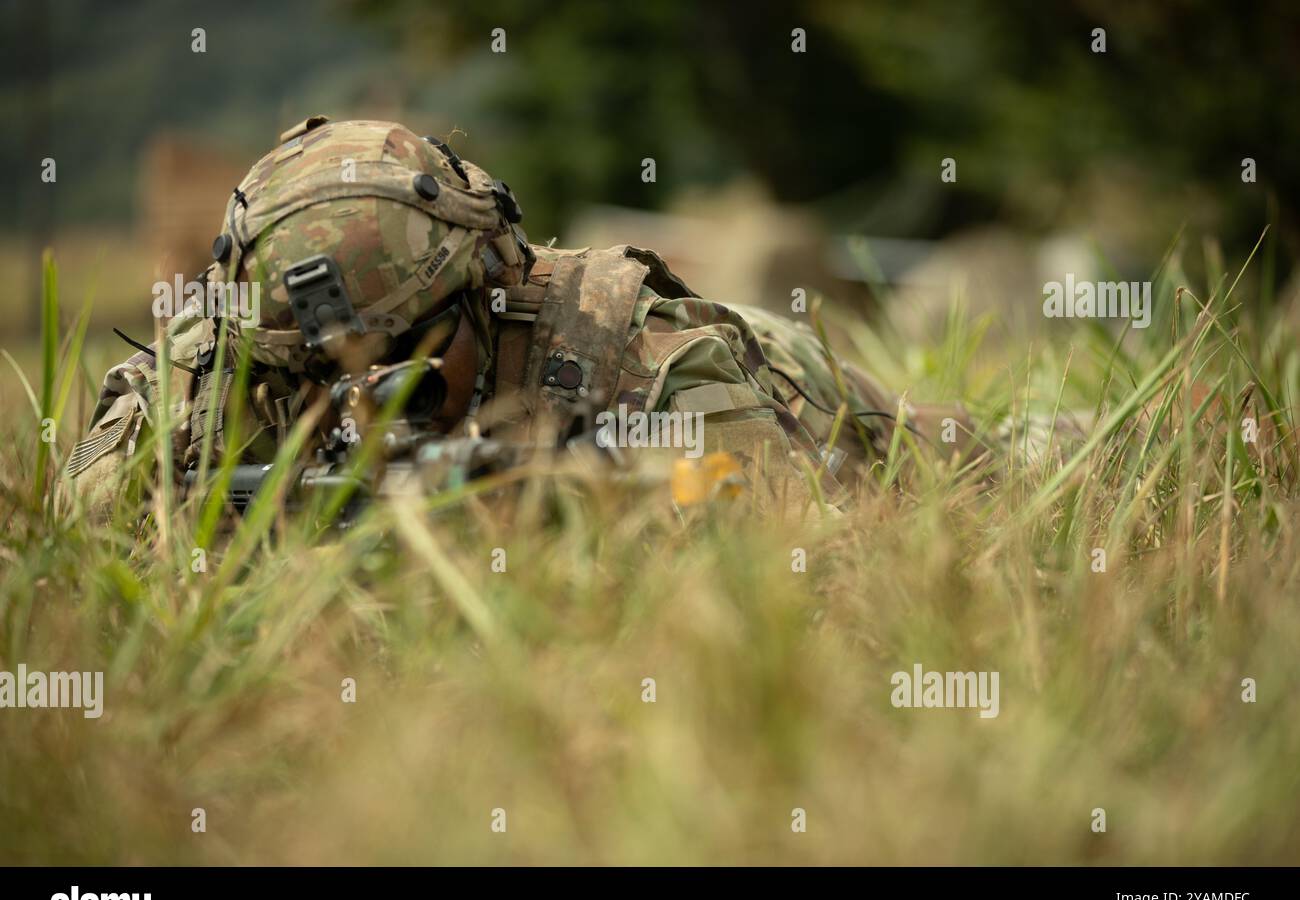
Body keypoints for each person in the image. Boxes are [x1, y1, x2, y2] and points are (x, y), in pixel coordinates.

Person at [63, 117, 985, 522]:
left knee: (992, 454)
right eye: (310, 378)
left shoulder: (651, 359)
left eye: (406, 369)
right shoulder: (219, 372)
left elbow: (782, 528)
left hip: (812, 397)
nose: (356, 409)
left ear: (489, 289)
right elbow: (74, 524)